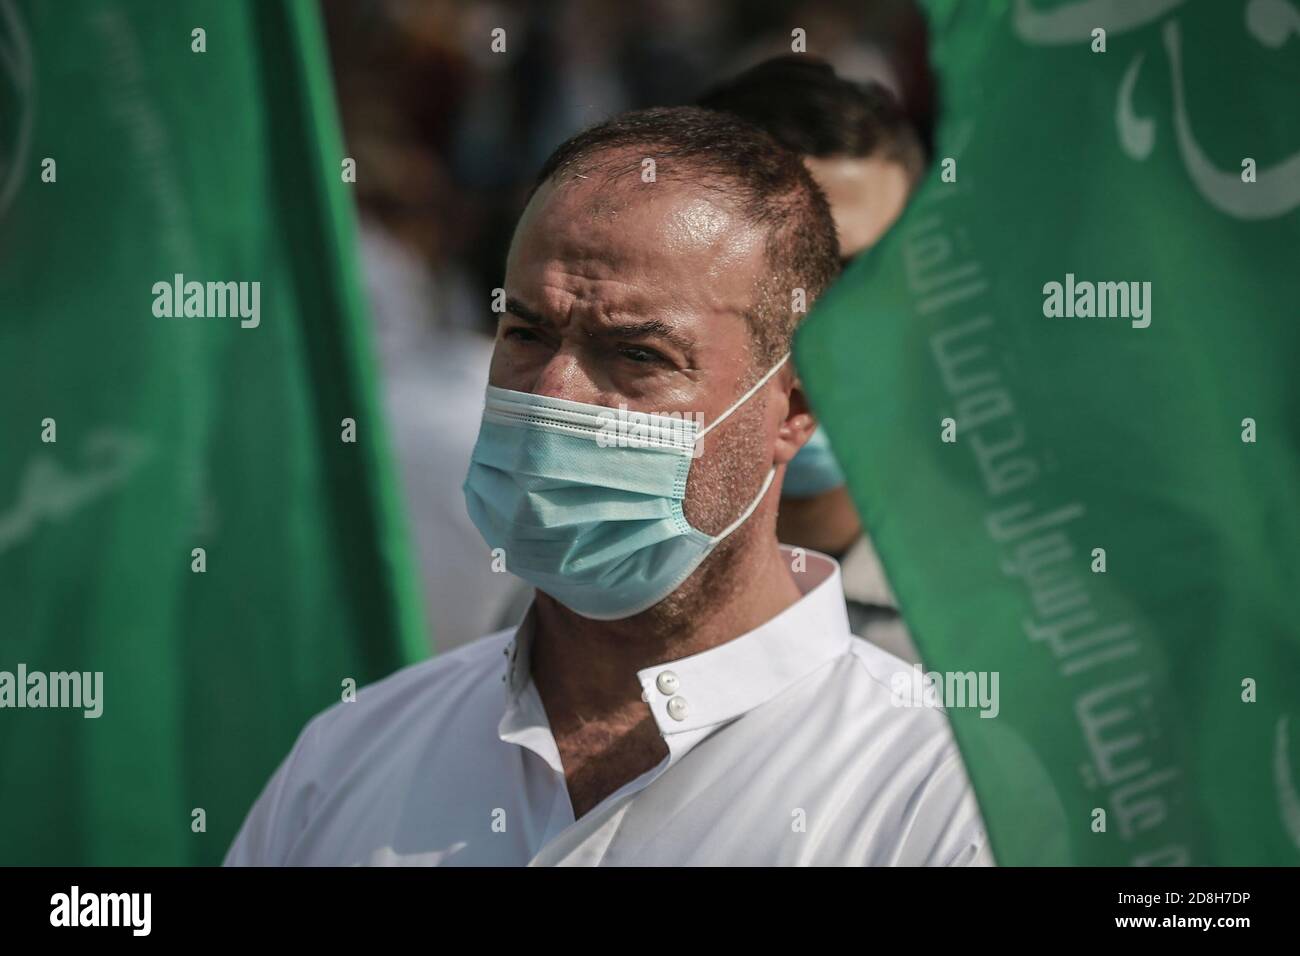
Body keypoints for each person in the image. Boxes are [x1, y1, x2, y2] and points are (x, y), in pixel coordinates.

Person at [224, 107, 992, 866]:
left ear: (794, 407)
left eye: (637, 354)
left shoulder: (939, 800)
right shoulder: (349, 759)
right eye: (526, 334)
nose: (555, 392)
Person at [698, 55, 927, 663]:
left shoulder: (1032, 620)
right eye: (771, 272)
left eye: (858, 272)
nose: (812, 325)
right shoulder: (584, 615)